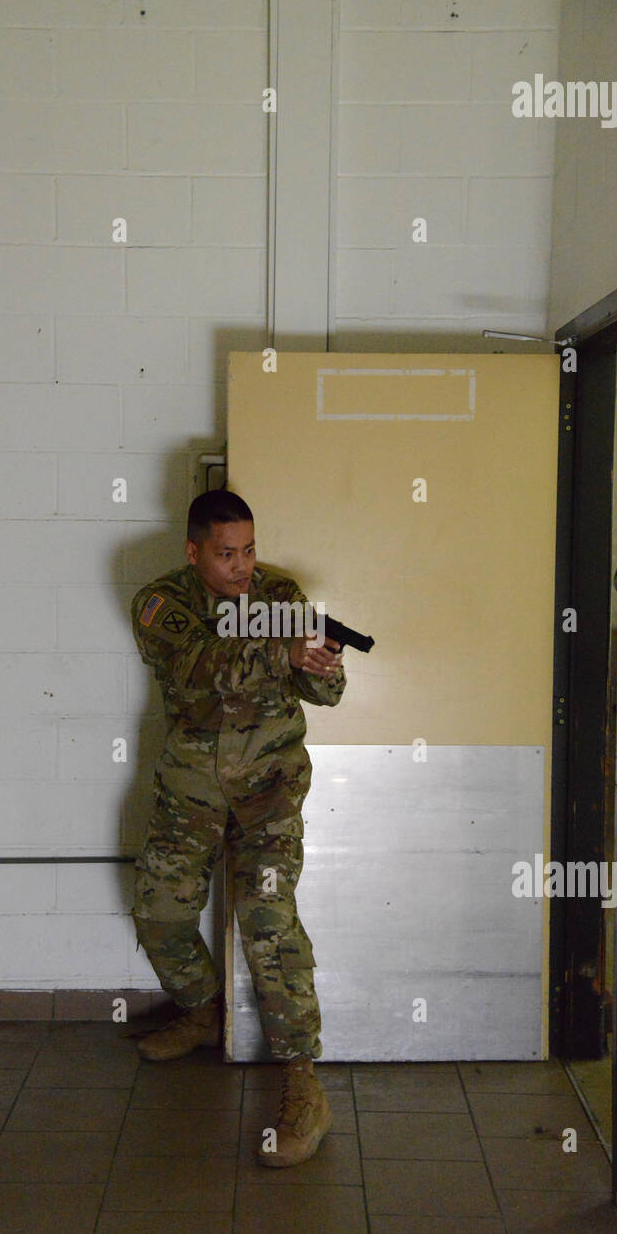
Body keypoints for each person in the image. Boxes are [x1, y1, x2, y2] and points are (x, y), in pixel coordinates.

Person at [129, 488, 346, 1167]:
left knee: (265, 917)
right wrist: (281, 656)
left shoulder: (282, 594)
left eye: (248, 550)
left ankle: (302, 1083)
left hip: (268, 791)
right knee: (159, 913)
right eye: (226, 554)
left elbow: (326, 692)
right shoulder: (160, 604)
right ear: (194, 553)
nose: (242, 566)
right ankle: (203, 1010)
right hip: (190, 790)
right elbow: (201, 668)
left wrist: (322, 663)